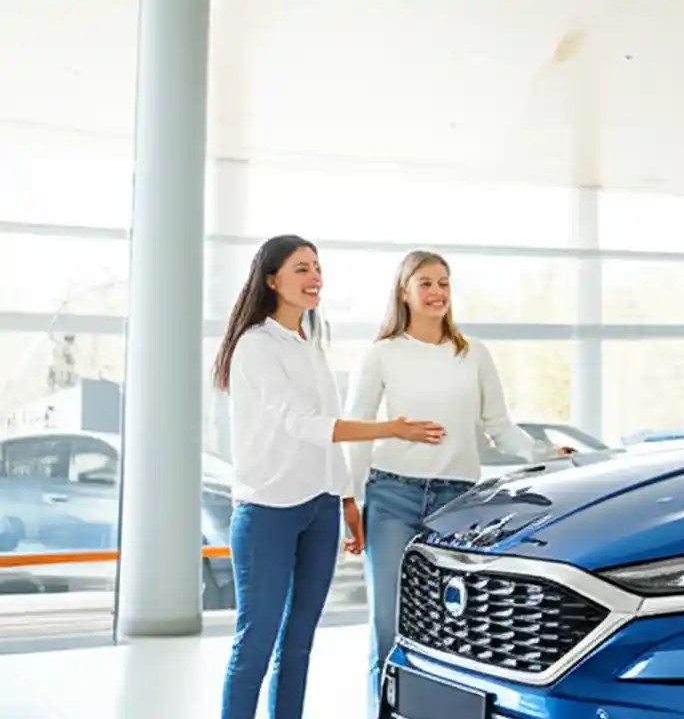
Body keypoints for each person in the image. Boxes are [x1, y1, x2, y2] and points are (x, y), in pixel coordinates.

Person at [212, 235, 444, 719]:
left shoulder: (309, 342)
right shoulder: (255, 346)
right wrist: (391, 428)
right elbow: (306, 425)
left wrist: (346, 499)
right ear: (271, 280)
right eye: (301, 268)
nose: (314, 277)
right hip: (267, 512)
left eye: (317, 267)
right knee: (255, 644)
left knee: (298, 643)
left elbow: (325, 435)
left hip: (319, 508)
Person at [345, 249, 570, 717]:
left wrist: (543, 453)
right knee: (388, 625)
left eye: (443, 282)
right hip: (392, 496)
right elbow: (359, 428)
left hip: (458, 502)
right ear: (404, 292)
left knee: (456, 629)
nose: (437, 292)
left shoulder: (473, 354)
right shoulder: (382, 354)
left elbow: (499, 427)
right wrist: (351, 500)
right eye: (425, 283)